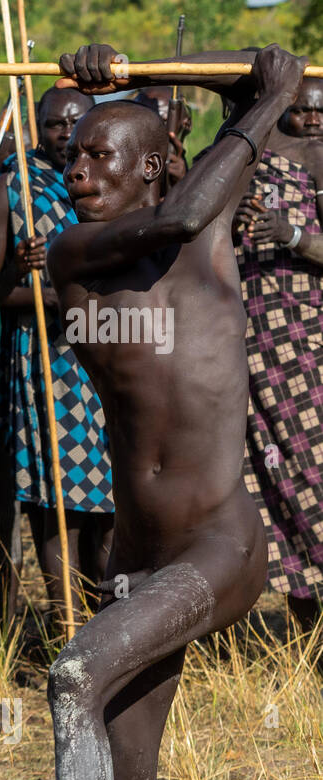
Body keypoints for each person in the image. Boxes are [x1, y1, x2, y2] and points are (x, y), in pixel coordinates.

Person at [46, 42, 305, 780]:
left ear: (156, 164)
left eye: (97, 154)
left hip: (219, 545)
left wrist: (139, 68)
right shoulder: (75, 252)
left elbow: (270, 72)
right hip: (138, 554)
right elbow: (174, 217)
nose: (75, 171)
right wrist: (262, 104)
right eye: (71, 155)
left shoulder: (208, 222)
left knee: (75, 675)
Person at [0, 87, 113, 626]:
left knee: (110, 505)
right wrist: (21, 269)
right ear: (38, 127)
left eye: (76, 123)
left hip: (107, 360)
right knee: (57, 506)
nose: (66, 134)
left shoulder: (111, 178)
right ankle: (68, 631)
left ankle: (112, 628)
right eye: (55, 124)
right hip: (46, 365)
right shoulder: (13, 187)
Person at [231, 77, 323, 647]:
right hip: (253, 342)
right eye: (302, 110)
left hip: (310, 342)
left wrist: (290, 232)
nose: (312, 121)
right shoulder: (252, 157)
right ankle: (307, 638)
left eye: (321, 111)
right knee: (279, 487)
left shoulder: (320, 161)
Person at [133, 85, 193, 187]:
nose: (150, 132)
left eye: (162, 122)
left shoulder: (201, 169)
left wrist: (182, 184)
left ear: (186, 124)